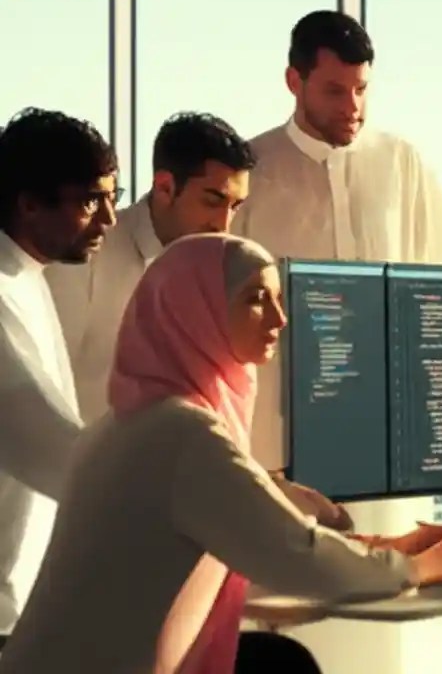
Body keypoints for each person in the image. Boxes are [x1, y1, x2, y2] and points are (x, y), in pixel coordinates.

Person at [0, 234, 442, 674]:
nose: (280, 318)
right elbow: (298, 561)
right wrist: (428, 567)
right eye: (256, 300)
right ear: (196, 314)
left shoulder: (136, 421)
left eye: (278, 298)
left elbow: (263, 541)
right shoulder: (181, 433)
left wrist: (401, 545)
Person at [44, 111, 350, 530]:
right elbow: (48, 405)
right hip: (87, 509)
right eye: (213, 200)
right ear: (165, 186)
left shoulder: (222, 272)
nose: (224, 223)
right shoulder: (87, 259)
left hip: (177, 514)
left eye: (235, 205)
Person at [231, 8, 442, 472]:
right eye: (335, 91)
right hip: (274, 441)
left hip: (385, 433)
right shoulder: (250, 170)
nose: (352, 106)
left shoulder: (403, 164)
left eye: (361, 89)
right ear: (294, 81)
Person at [0, 107, 118, 645]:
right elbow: (57, 451)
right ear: (28, 202)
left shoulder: (27, 273)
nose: (109, 219)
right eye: (91, 200)